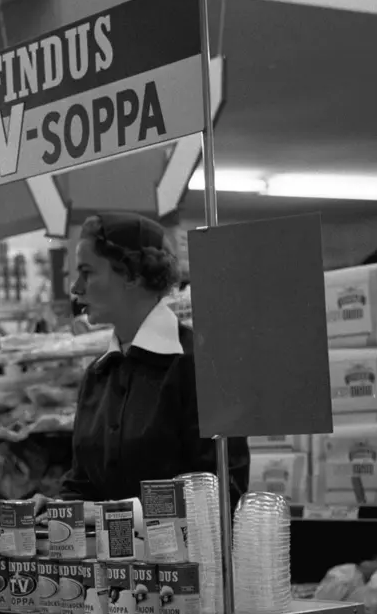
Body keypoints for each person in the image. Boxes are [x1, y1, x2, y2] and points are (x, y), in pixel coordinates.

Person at [51, 212, 249, 506]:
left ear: (131, 274)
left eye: (87, 272)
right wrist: (59, 509)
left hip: (185, 553)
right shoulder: (98, 374)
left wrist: (119, 516)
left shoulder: (202, 366)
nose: (76, 288)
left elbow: (224, 491)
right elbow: (83, 483)